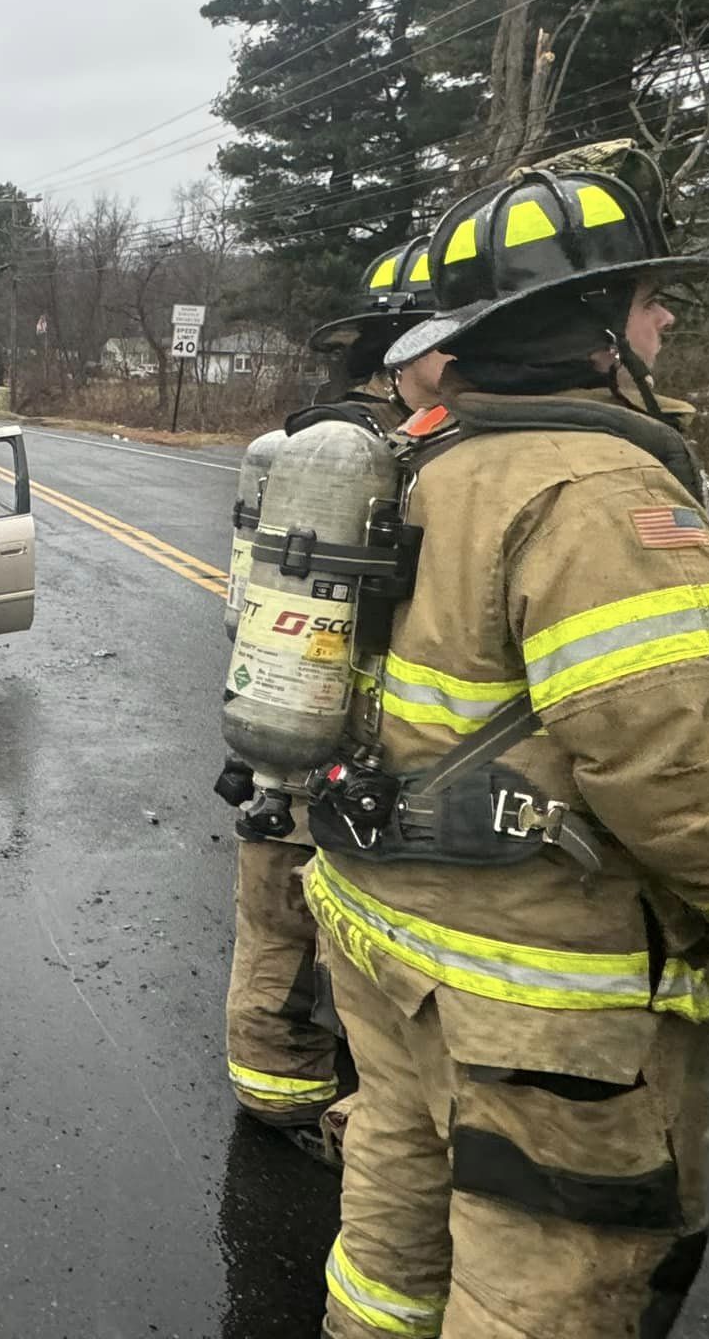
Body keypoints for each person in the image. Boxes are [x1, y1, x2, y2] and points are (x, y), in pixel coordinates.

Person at [307, 148, 709, 1337]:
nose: (666, 313)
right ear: (591, 324)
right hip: (536, 998)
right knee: (551, 1281)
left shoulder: (424, 461)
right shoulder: (593, 491)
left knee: (391, 1217)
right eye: (644, 296)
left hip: (385, 937)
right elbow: (677, 774)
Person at [223, 238, 446, 1156]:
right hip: (349, 740)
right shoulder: (395, 463)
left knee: (272, 919)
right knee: (316, 932)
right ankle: (293, 1097)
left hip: (276, 720)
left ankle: (273, 1086)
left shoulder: (302, 449)